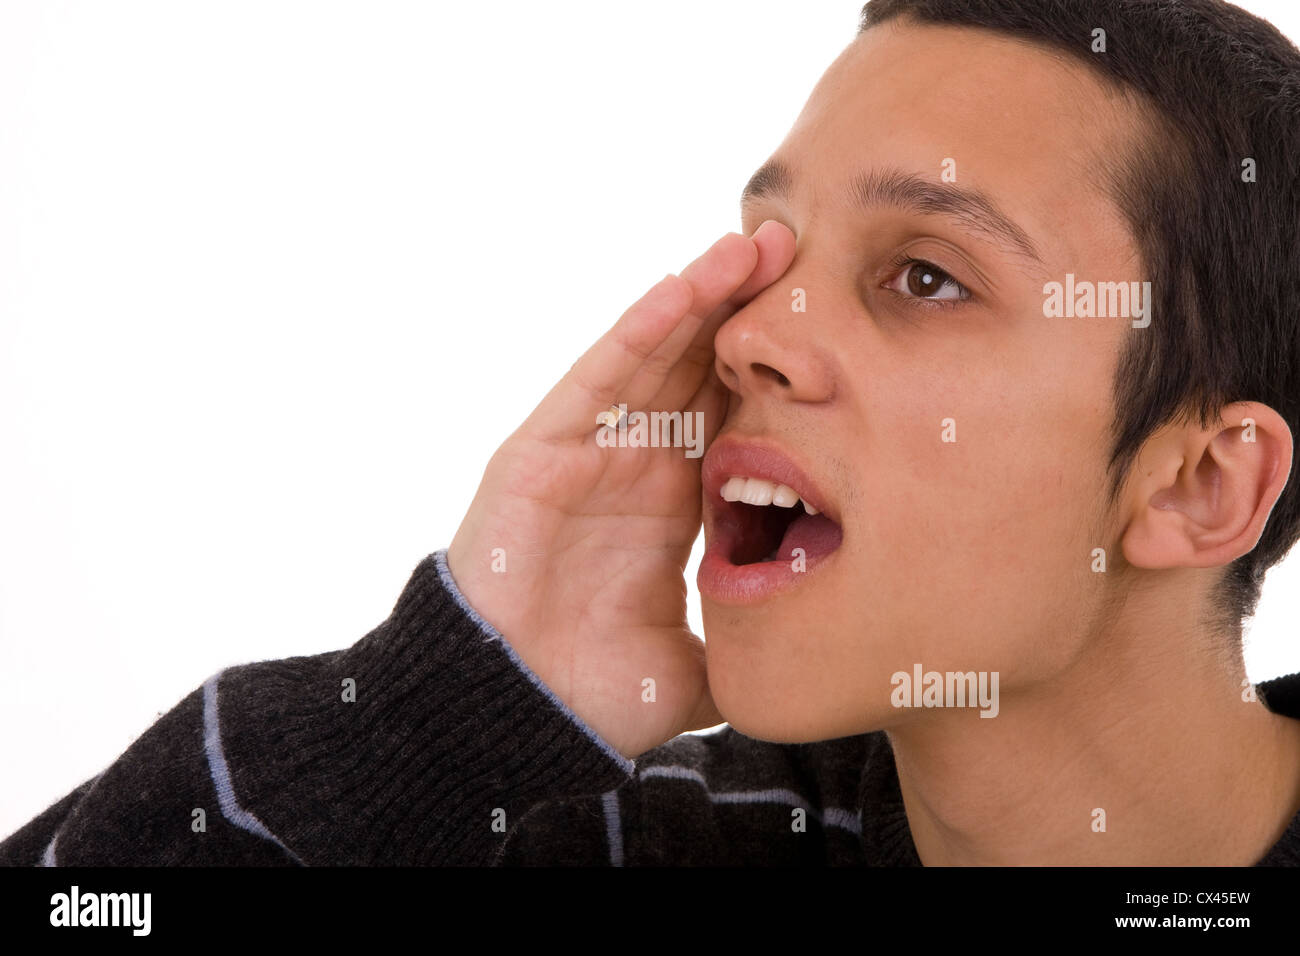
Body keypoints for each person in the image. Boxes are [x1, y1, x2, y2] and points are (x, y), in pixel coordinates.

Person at [5, 0, 1300, 866]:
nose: (746, 337)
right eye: (772, 252)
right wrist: (448, 709)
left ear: (1199, 483)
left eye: (925, 276)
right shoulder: (652, 842)